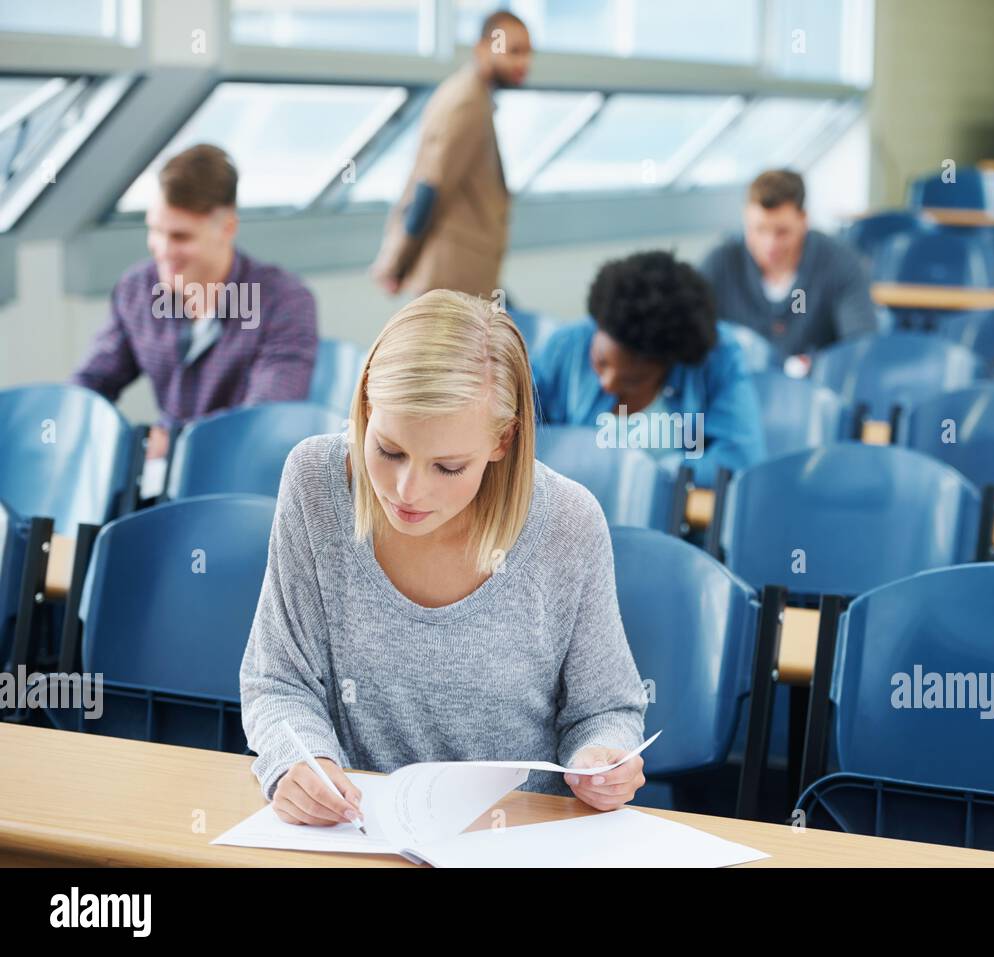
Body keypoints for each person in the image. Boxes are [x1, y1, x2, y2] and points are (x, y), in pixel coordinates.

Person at [240, 289, 647, 827]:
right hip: (354, 836)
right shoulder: (315, 481)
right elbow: (278, 681)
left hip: (518, 841)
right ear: (365, 405)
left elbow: (605, 711)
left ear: (503, 440)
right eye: (389, 450)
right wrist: (299, 761)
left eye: (448, 467)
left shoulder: (570, 523)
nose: (408, 490)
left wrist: (600, 758)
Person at [71, 144, 317, 461]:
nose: (162, 249)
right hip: (163, 473)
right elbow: (92, 381)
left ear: (227, 228)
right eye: (155, 230)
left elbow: (263, 420)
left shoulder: (284, 301)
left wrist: (169, 443)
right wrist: (87, 427)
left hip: (242, 473)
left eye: (180, 237)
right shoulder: (137, 289)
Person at [532, 250, 766, 487]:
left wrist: (649, 477)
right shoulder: (565, 347)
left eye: (633, 380)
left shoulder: (716, 357)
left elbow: (741, 458)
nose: (608, 383)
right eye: (600, 361)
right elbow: (512, 424)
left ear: (670, 363)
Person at [369, 10, 532, 299]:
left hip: (461, 276)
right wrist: (395, 264)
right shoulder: (466, 101)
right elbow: (430, 188)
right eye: (513, 51)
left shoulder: (476, 97)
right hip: (447, 278)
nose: (524, 62)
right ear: (482, 48)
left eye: (529, 53)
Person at [698, 169, 876, 374]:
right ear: (745, 219)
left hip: (814, 395)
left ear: (803, 219)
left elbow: (860, 346)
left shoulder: (841, 264)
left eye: (782, 232)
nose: (770, 244)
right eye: (759, 229)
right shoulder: (721, 263)